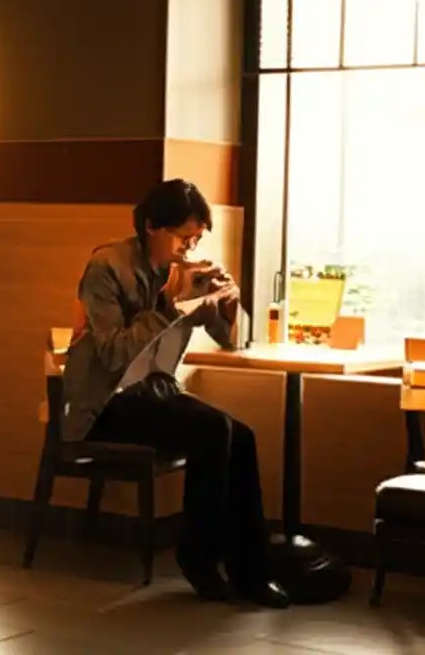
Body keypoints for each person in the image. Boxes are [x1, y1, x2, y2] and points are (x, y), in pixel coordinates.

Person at [62, 179, 290, 608]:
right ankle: (198, 559)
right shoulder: (108, 266)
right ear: (152, 225)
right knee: (212, 429)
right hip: (106, 403)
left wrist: (226, 304)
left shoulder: (184, 272)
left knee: (241, 435)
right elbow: (111, 353)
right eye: (182, 237)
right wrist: (168, 304)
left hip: (155, 392)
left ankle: (252, 573)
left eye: (197, 238)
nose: (189, 247)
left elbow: (230, 339)